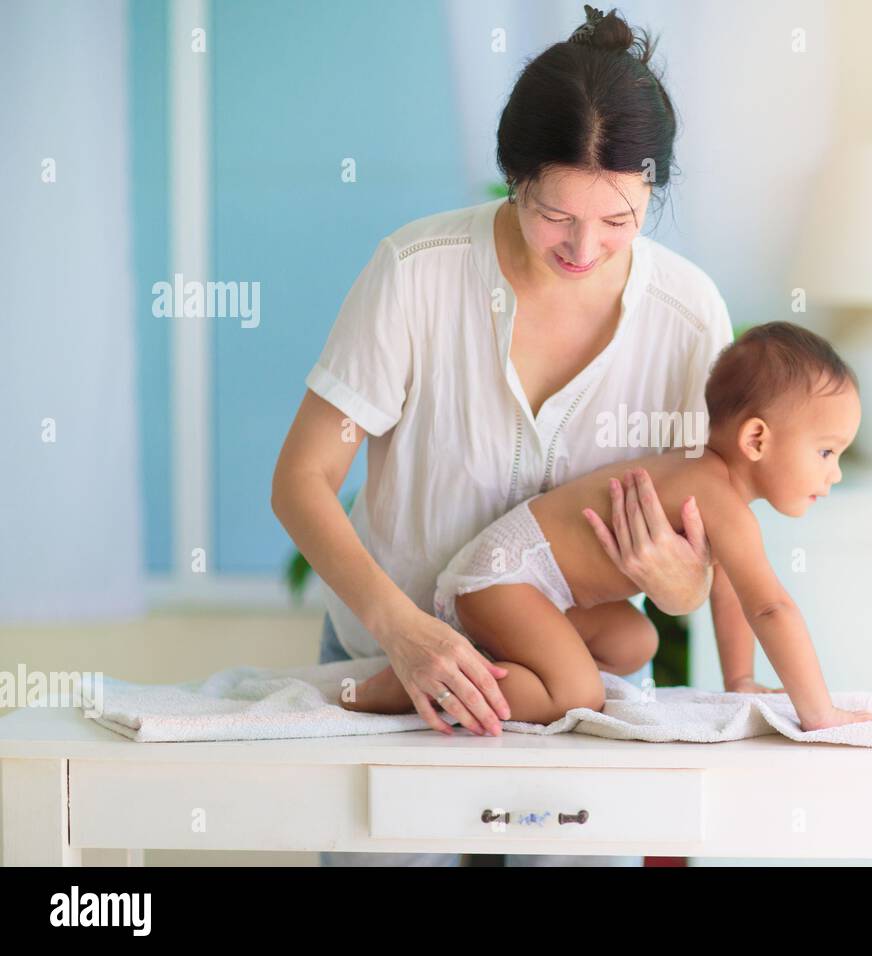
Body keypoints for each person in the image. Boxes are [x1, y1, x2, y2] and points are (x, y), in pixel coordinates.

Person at [271, 5, 731, 866]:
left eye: (621, 219)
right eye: (557, 214)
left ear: (651, 193)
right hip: (391, 651)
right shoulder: (416, 275)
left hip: (579, 676)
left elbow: (712, 546)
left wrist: (682, 584)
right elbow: (301, 479)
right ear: (514, 177)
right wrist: (406, 633)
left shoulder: (689, 319)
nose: (585, 247)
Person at [343, 323, 872, 732]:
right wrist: (819, 712)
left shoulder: (711, 483)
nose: (834, 473)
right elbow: (770, 608)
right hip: (503, 579)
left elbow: (730, 593)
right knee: (577, 693)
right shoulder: (719, 496)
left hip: (534, 588)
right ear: (758, 440)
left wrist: (739, 681)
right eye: (826, 451)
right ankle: (436, 686)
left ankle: (496, 662)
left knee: (635, 640)